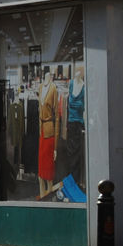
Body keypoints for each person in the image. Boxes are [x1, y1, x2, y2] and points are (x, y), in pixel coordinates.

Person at [62, 65, 86, 190]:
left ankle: (76, 183)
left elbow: (86, 109)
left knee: (77, 156)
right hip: (70, 124)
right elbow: (66, 108)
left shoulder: (84, 88)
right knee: (69, 155)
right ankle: (70, 181)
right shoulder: (71, 84)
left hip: (79, 125)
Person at [38, 68, 59, 198]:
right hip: (41, 130)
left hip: (50, 131)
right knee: (41, 164)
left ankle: (50, 191)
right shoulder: (40, 87)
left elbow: (57, 117)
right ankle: (42, 191)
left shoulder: (54, 89)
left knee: (48, 164)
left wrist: (56, 147)